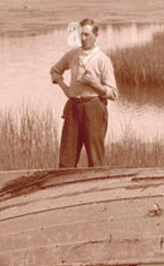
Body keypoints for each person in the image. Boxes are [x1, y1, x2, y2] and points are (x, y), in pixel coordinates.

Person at [50, 18, 118, 167]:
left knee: (95, 159)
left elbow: (113, 93)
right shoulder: (73, 55)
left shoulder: (102, 60)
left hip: (94, 108)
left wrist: (95, 84)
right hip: (73, 108)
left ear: (96, 35)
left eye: (87, 35)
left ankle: (94, 188)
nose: (82, 38)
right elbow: (55, 70)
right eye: (80, 34)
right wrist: (65, 87)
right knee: (66, 160)